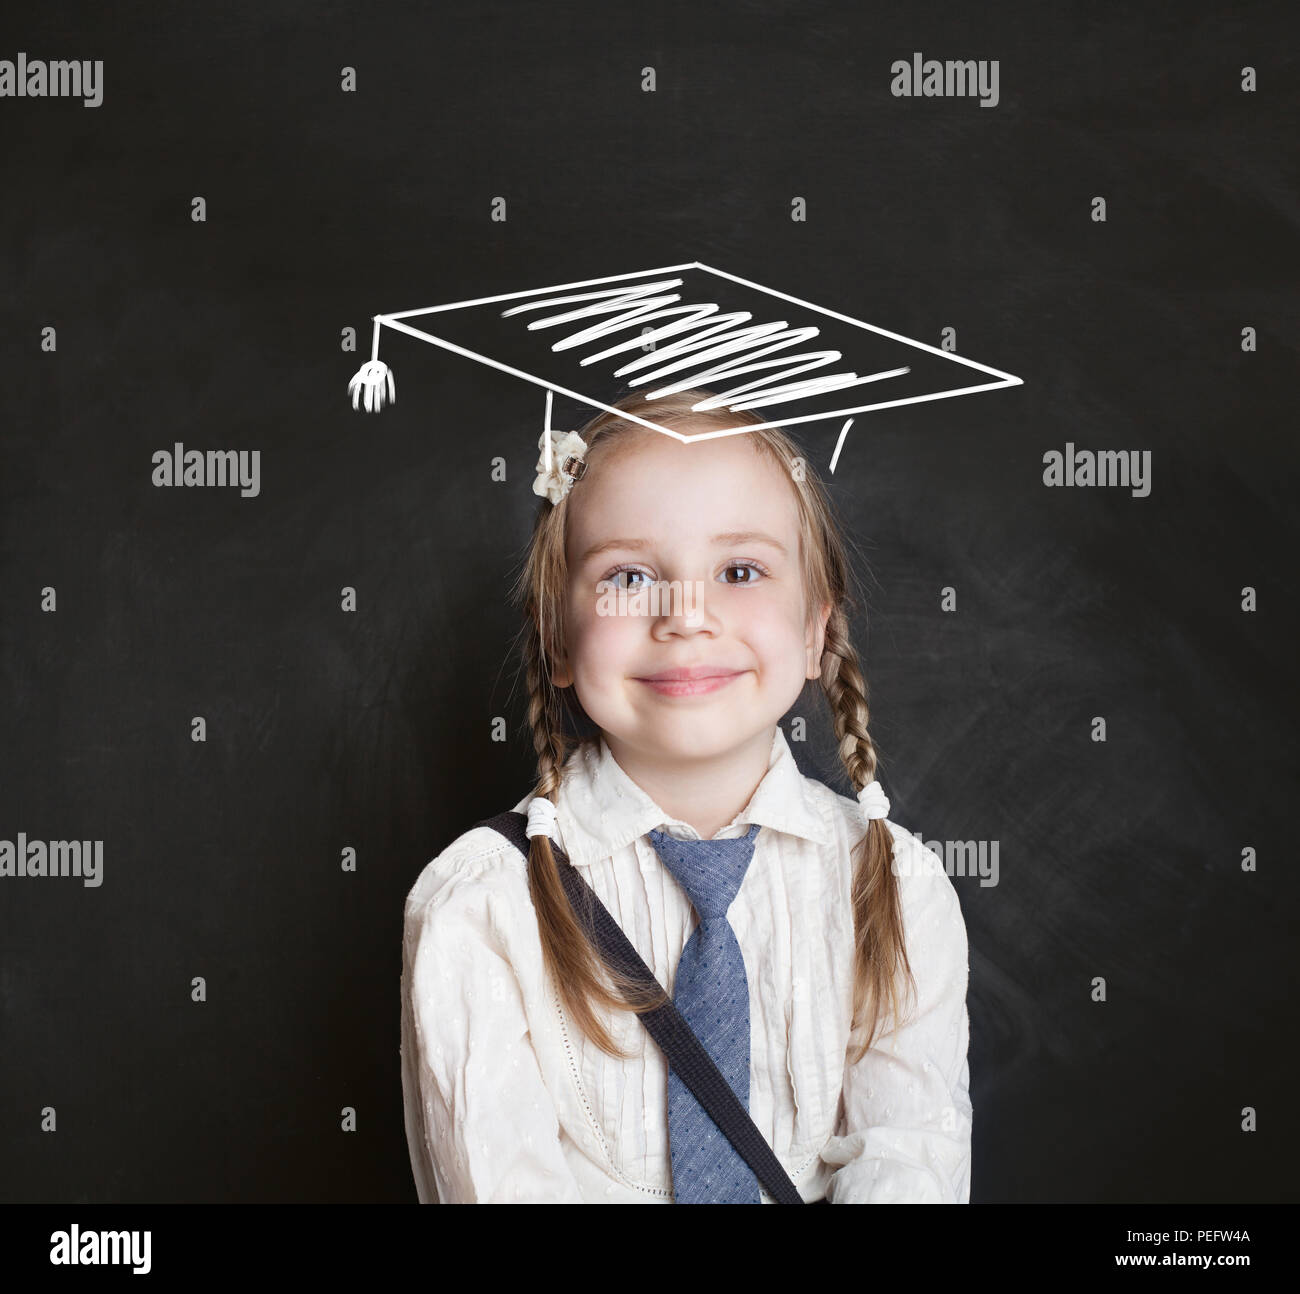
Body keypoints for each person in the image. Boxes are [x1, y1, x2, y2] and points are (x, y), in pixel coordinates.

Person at [400, 387, 972, 1203]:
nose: (686, 617)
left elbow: (909, 1163)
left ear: (816, 627)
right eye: (629, 576)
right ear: (558, 637)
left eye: (740, 571)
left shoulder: (896, 887)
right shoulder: (481, 907)